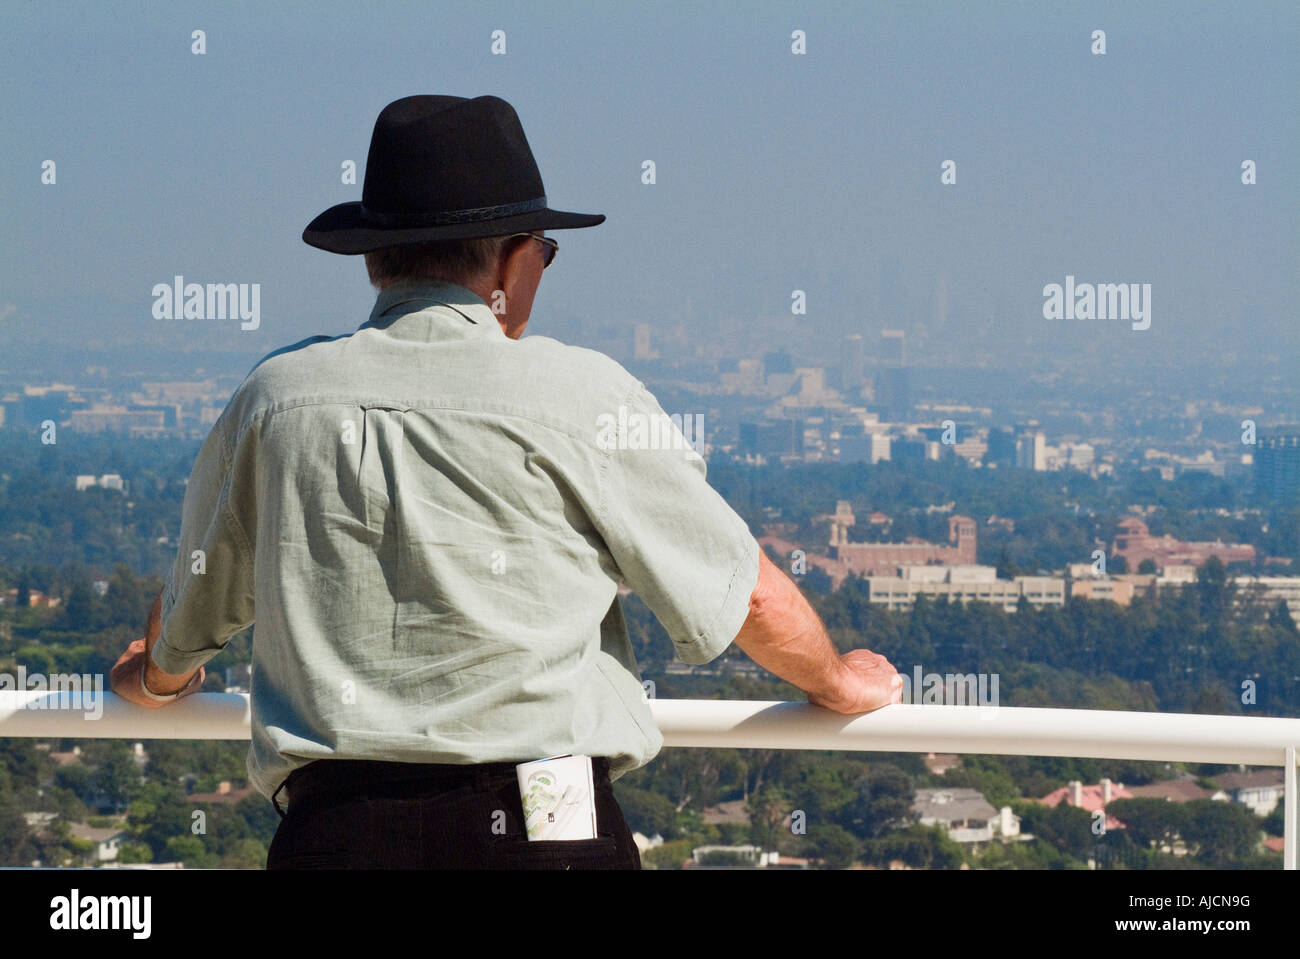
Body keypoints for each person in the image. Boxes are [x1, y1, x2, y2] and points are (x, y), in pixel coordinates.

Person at [109, 94, 902, 869]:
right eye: (546, 254)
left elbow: (191, 613)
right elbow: (748, 595)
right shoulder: (583, 397)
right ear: (516, 257)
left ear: (376, 259)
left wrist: (153, 675)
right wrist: (838, 680)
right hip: (548, 824)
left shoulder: (276, 400)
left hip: (339, 832)